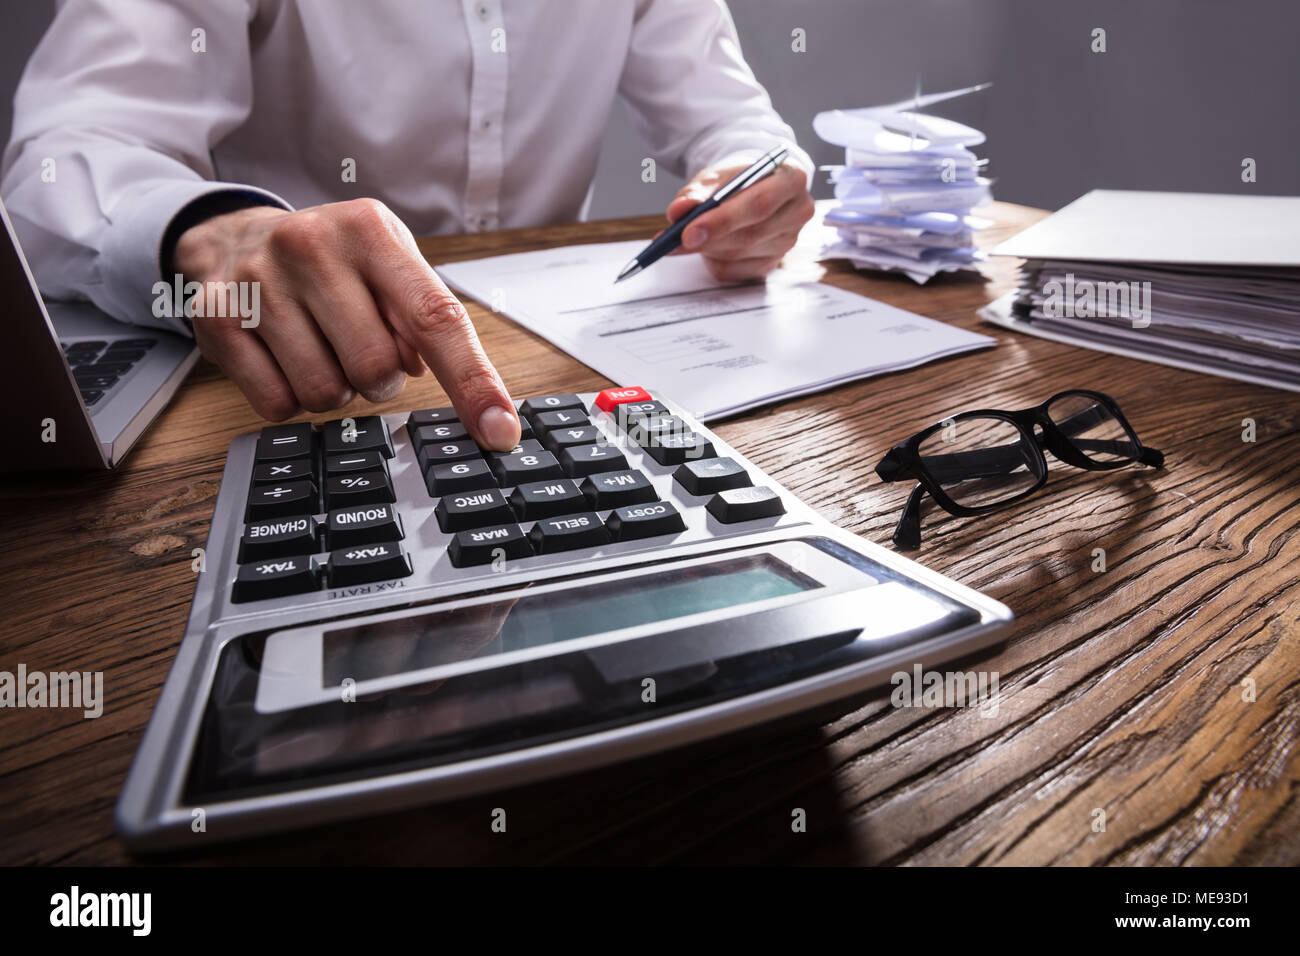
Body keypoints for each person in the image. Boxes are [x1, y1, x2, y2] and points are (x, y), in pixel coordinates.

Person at [1, 0, 814, 450]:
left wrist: (761, 176)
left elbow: (733, 121)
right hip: (268, 380)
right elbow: (64, 153)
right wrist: (216, 231)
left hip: (555, 359)